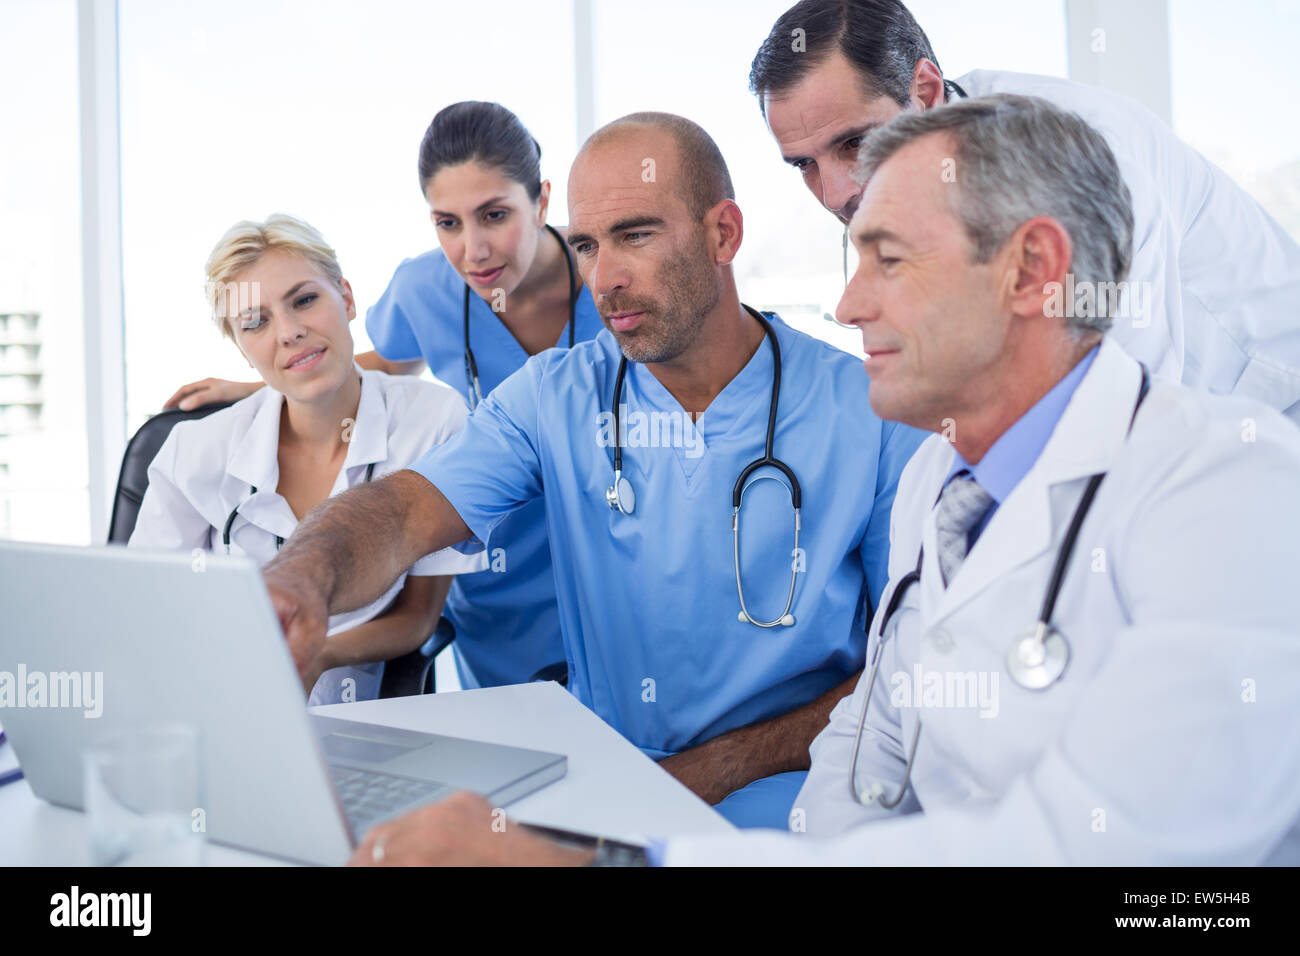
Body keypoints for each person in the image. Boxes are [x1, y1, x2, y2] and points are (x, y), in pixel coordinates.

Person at [342, 96, 1300, 866]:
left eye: (887, 257)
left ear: (1033, 269)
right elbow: (862, 768)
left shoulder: (1229, 485)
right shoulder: (941, 483)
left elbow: (1119, 853)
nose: (847, 303)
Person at [257, 112, 926, 829]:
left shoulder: (874, 413)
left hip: (799, 788)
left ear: (722, 234)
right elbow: (403, 512)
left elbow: (907, 665)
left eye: (635, 235)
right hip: (606, 781)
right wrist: (305, 575)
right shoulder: (553, 397)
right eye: (584, 246)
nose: (605, 279)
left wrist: (715, 768)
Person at [162, 103, 604, 693]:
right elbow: (388, 361)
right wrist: (263, 386)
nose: (472, 251)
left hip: (600, 558)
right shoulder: (427, 287)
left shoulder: (610, 282)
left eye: (494, 215)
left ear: (543, 201)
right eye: (447, 223)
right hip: (495, 576)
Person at [750, 0, 1300, 423]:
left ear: (924, 89)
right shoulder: (913, 185)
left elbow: (1123, 409)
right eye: (804, 164)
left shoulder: (1078, 157)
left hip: (1269, 407)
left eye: (854, 143)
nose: (833, 193)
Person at [129, 214, 485, 706]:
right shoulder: (193, 452)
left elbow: (419, 617)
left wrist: (314, 657)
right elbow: (150, 609)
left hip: (364, 714)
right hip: (223, 702)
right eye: (255, 322)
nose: (290, 332)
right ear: (241, 347)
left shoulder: (432, 422)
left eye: (304, 300)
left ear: (347, 297)